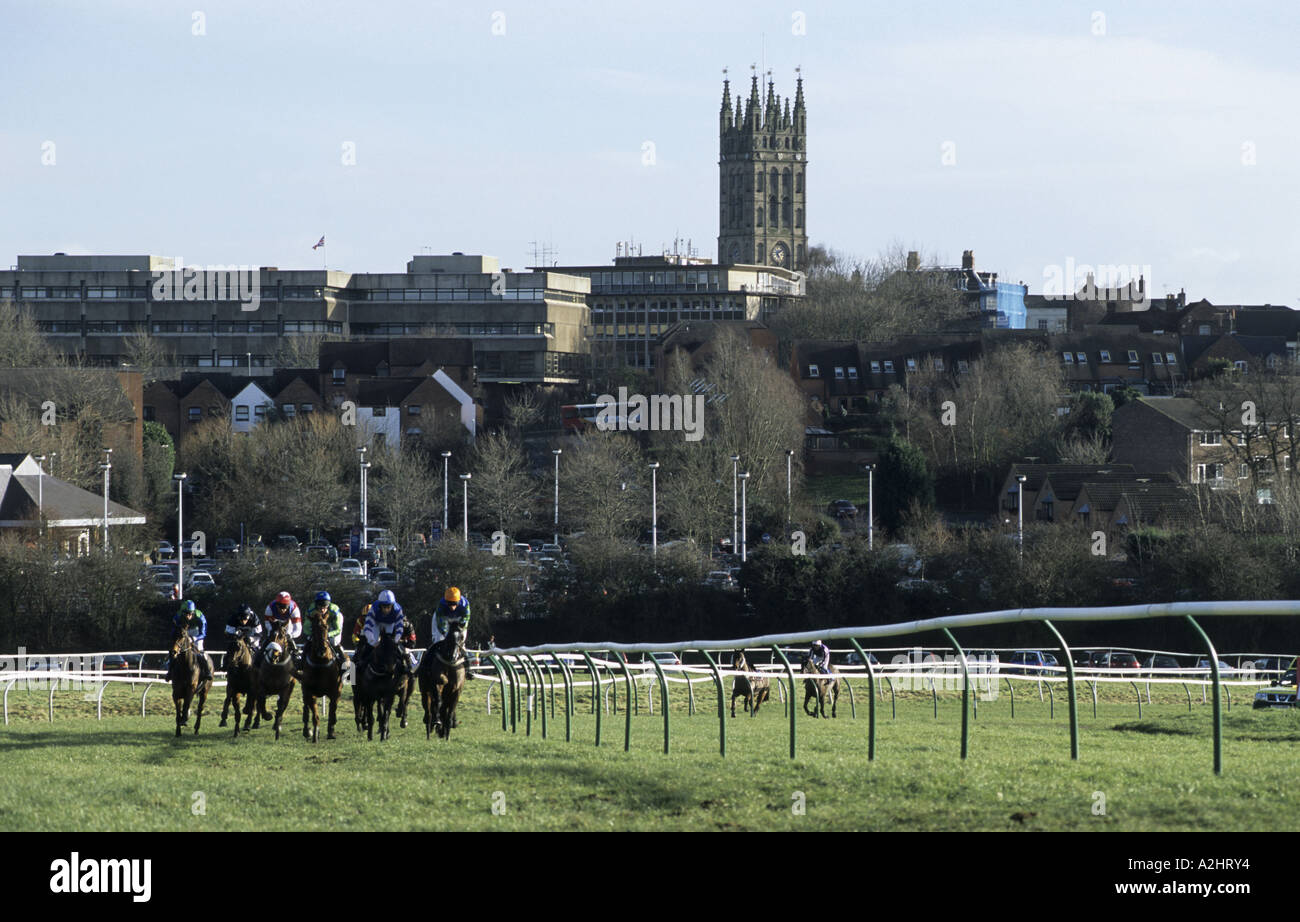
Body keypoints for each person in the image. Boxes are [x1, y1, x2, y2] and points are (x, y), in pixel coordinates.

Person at [360, 590, 416, 673]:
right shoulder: (373, 609)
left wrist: (396, 641)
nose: (386, 609)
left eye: (389, 607)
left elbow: (399, 628)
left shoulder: (398, 609)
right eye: (384, 607)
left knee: (392, 643)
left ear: (392, 605)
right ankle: (361, 663)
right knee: (371, 642)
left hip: (390, 623)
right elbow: (367, 627)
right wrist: (372, 641)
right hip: (376, 623)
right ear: (380, 605)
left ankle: (407, 665)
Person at [431, 586, 472, 676]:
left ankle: (468, 668)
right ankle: (427, 664)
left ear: (459, 601)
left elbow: (465, 621)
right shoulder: (441, 605)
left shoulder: (465, 604)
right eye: (449, 604)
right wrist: (446, 634)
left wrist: (458, 631)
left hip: (459, 618)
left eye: (454, 604)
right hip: (444, 618)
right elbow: (440, 624)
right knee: (438, 639)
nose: (452, 607)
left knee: (461, 640)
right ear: (446, 602)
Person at [172, 599, 213, 683]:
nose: (189, 616)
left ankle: (207, 671)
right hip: (183, 630)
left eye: (191, 613)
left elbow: (203, 633)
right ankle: (170, 672)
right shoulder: (177, 616)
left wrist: (194, 638)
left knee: (200, 651)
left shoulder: (200, 616)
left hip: (196, 632)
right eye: (186, 613)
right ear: (182, 612)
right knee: (174, 651)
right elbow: (174, 630)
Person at [302, 590, 347, 662]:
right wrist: (315, 634)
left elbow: (338, 630)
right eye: (320, 607)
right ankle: (302, 661)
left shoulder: (334, 611)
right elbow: (306, 628)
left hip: (332, 625)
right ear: (316, 605)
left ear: (328, 605)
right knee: (309, 640)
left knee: (334, 641)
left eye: (325, 606)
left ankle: (343, 660)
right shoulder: (310, 611)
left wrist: (327, 634)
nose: (322, 610)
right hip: (318, 626)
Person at [261, 591, 302, 663]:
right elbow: (267, 623)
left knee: (289, 639)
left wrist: (290, 635)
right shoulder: (270, 608)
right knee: (270, 638)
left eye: (285, 607)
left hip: (288, 625)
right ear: (276, 605)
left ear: (288, 605)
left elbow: (298, 629)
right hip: (274, 624)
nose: (282, 610)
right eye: (280, 607)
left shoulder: (294, 609)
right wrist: (271, 630)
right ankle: (259, 657)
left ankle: (296, 656)